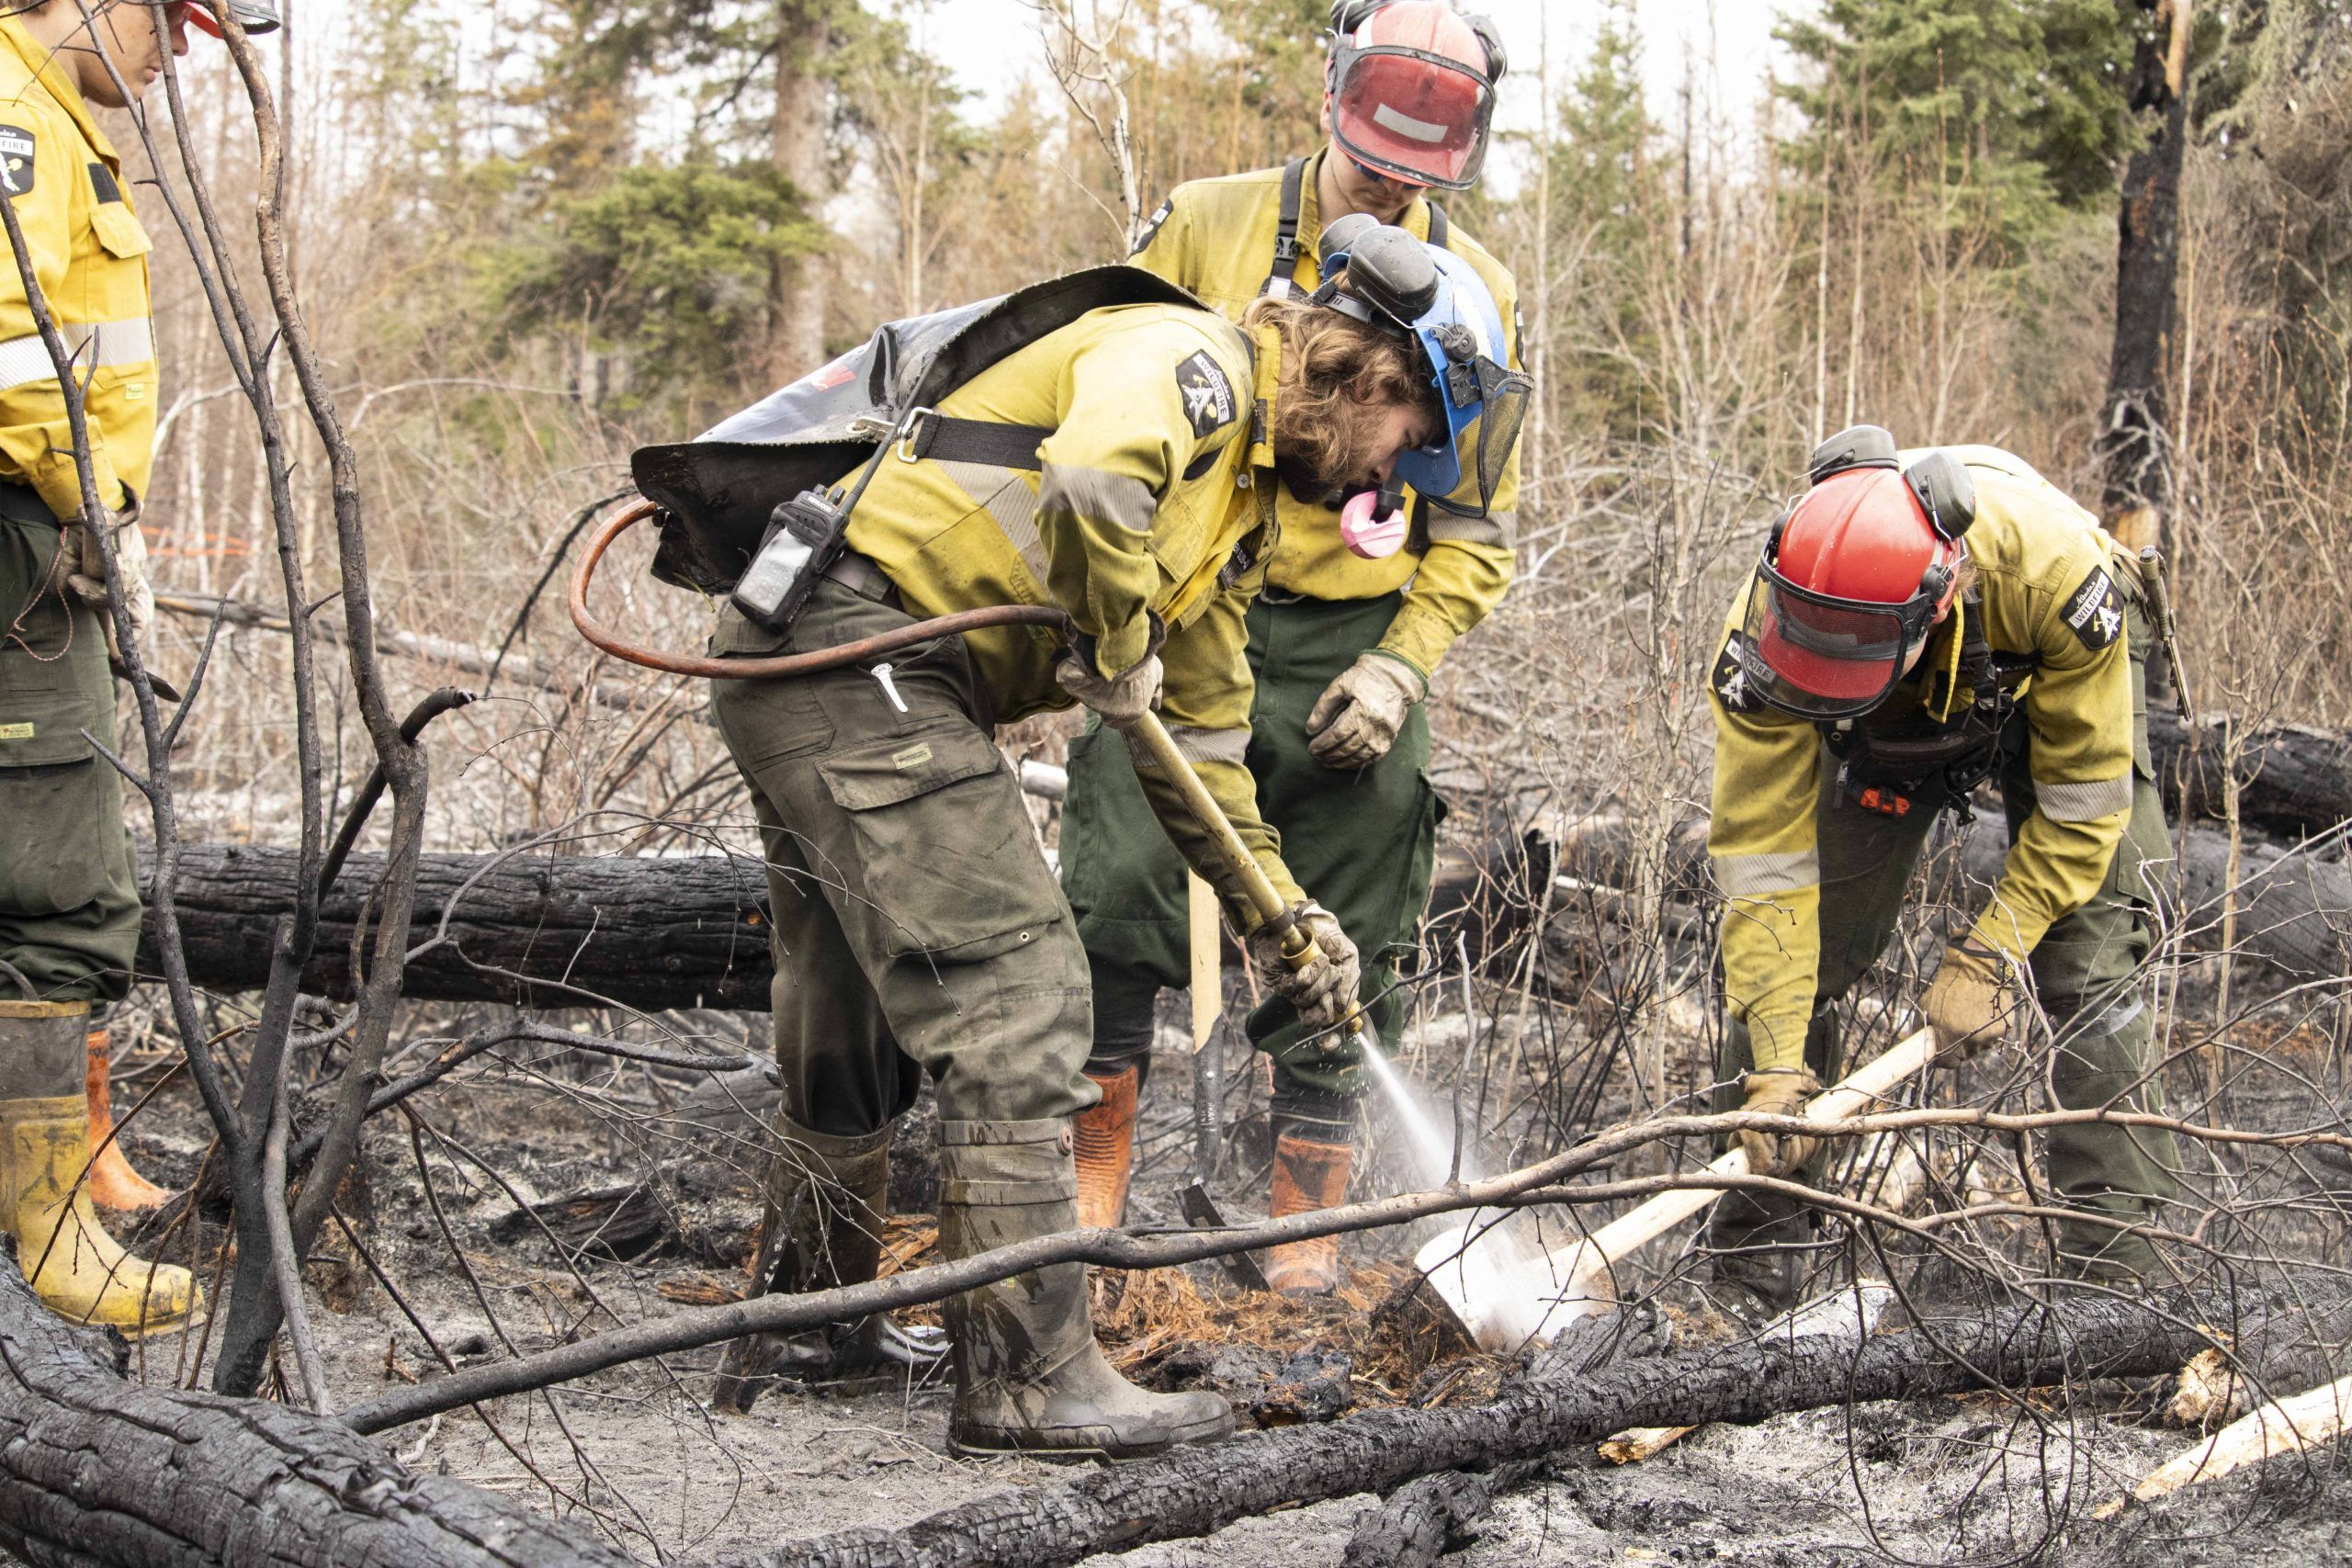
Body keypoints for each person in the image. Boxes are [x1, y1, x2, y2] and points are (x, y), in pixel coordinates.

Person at [702, 227, 1520, 1460]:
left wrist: (1283, 917)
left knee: (848, 1004)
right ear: (1369, 379)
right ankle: (1029, 1382)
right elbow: (1091, 477)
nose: (1393, 475)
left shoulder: (1232, 510)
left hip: (822, 659)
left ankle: (813, 1317)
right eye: (1408, 438)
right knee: (1021, 996)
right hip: (861, 655)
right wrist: (1118, 631)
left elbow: (1203, 745)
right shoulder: (1191, 359)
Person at [1058, 0, 1522, 1296]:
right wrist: (1113, 617)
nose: (1388, 179)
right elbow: (1100, 410)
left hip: (1349, 635)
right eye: (1373, 153)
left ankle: (1299, 1240)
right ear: (1332, 96)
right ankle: (1087, 1204)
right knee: (1117, 882)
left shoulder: (1481, 297)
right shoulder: (1203, 223)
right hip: (1178, 603)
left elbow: (1475, 529)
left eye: (1418, 167)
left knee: (1348, 916)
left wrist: (1400, 664)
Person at [1703, 426, 2179, 1311]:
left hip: (2037, 664)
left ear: (1942, 597)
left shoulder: (2058, 578)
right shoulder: (1771, 630)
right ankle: (1752, 1269)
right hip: (1887, 715)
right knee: (1804, 959)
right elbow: (1766, 863)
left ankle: (2119, 1291)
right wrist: (1774, 1065)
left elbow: (2084, 808)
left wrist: (1994, 948)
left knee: (2092, 960)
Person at [0, 0, 277, 1337]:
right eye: (168, 16)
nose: (178, 48)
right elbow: (15, 354)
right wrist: (86, 507)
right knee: (60, 888)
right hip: (18, 520)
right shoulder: (15, 116)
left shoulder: (53, 116)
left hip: (31, 513)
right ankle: (49, 1227)